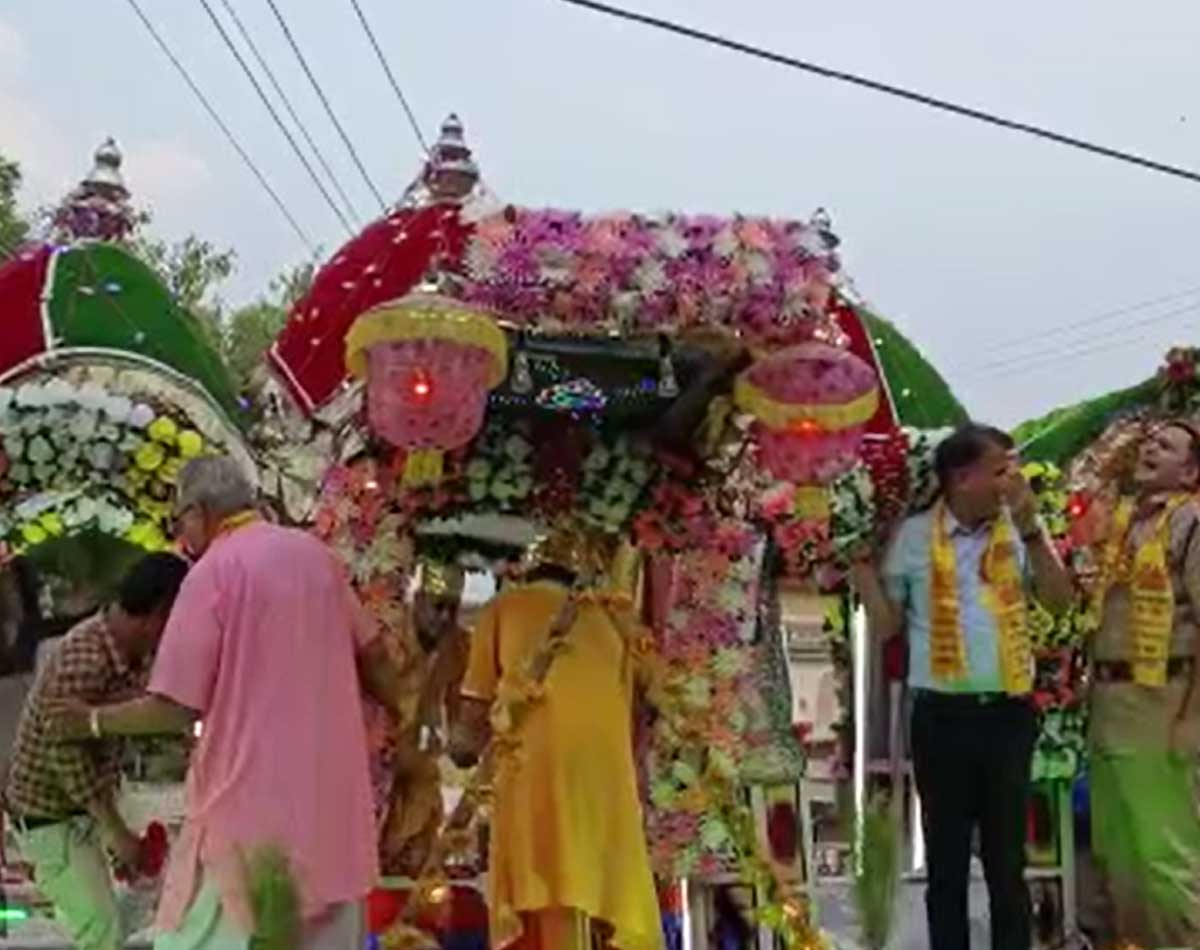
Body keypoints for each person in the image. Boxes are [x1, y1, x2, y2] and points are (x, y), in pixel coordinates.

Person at [47, 455, 410, 950]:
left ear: (198, 512)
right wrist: (405, 718)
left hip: (247, 809)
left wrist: (90, 721)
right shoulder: (316, 556)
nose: (183, 538)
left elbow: (174, 706)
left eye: (180, 523)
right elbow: (376, 658)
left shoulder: (213, 572)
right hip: (331, 802)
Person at [852, 423, 1072, 950]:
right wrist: (858, 570)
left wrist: (1034, 531)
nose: (1011, 479)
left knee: (1006, 863)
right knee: (946, 864)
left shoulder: (1019, 532)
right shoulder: (912, 538)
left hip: (1006, 714)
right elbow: (886, 628)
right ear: (962, 477)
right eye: (1001, 469)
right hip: (941, 719)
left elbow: (1060, 601)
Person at [449, 523, 664, 950]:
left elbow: (470, 720)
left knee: (548, 885)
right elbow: (653, 694)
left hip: (535, 777)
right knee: (597, 882)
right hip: (605, 779)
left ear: (525, 571)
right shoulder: (615, 616)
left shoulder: (504, 608)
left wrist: (459, 751)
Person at [4, 552, 189, 950]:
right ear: (160, 612)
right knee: (99, 930)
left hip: (81, 810)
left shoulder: (130, 653)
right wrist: (114, 829)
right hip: (49, 818)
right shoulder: (84, 657)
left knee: (119, 914)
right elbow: (65, 754)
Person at [1086, 420, 1200, 947]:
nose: (1151, 447)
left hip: (1164, 704)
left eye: (1167, 445)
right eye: (1149, 440)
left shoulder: (1191, 523)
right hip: (1110, 702)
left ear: (1192, 470)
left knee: (1165, 864)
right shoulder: (1123, 523)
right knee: (1122, 859)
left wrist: (1193, 721)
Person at [376, 559, 469, 875]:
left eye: (452, 609)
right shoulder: (390, 635)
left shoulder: (456, 645)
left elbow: (459, 707)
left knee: (424, 803)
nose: (444, 618)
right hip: (377, 752)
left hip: (416, 755)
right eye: (437, 607)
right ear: (417, 600)